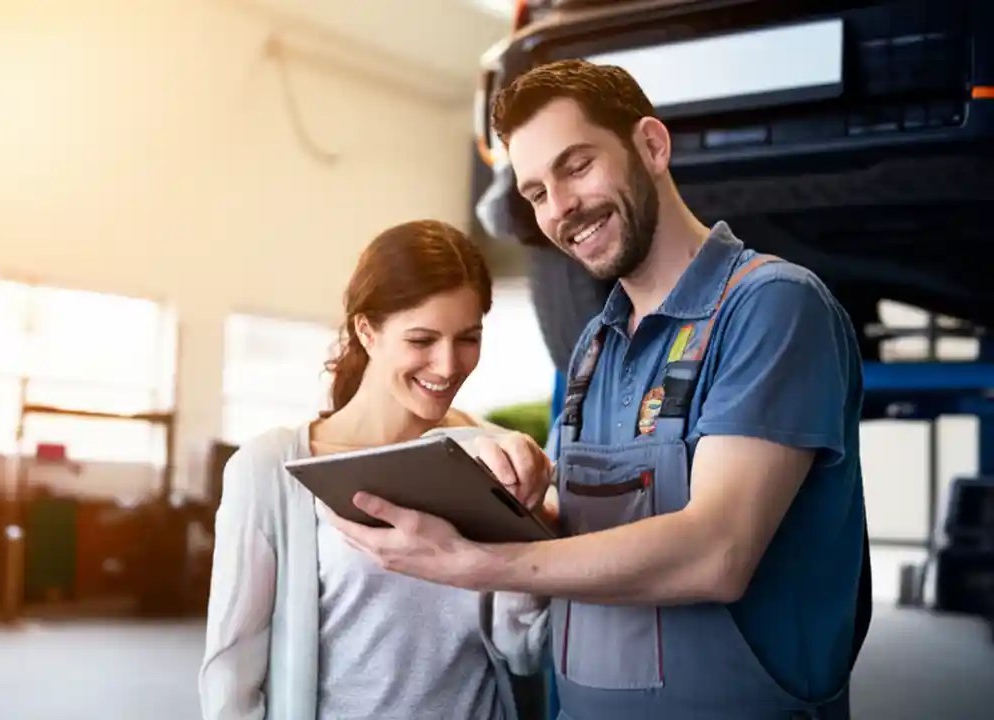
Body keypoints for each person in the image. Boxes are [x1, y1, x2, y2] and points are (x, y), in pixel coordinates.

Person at [329, 59, 872, 720]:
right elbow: (581, 527)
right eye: (535, 192)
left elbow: (717, 553)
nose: (560, 208)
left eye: (577, 166)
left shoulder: (770, 305)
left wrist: (475, 563)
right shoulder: (596, 344)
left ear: (652, 146)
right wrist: (502, 488)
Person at [197, 219, 553, 720]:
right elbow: (230, 677)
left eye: (467, 338)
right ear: (367, 331)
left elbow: (523, 652)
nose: (448, 365)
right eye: (422, 339)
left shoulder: (493, 455)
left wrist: (532, 533)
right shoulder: (270, 469)